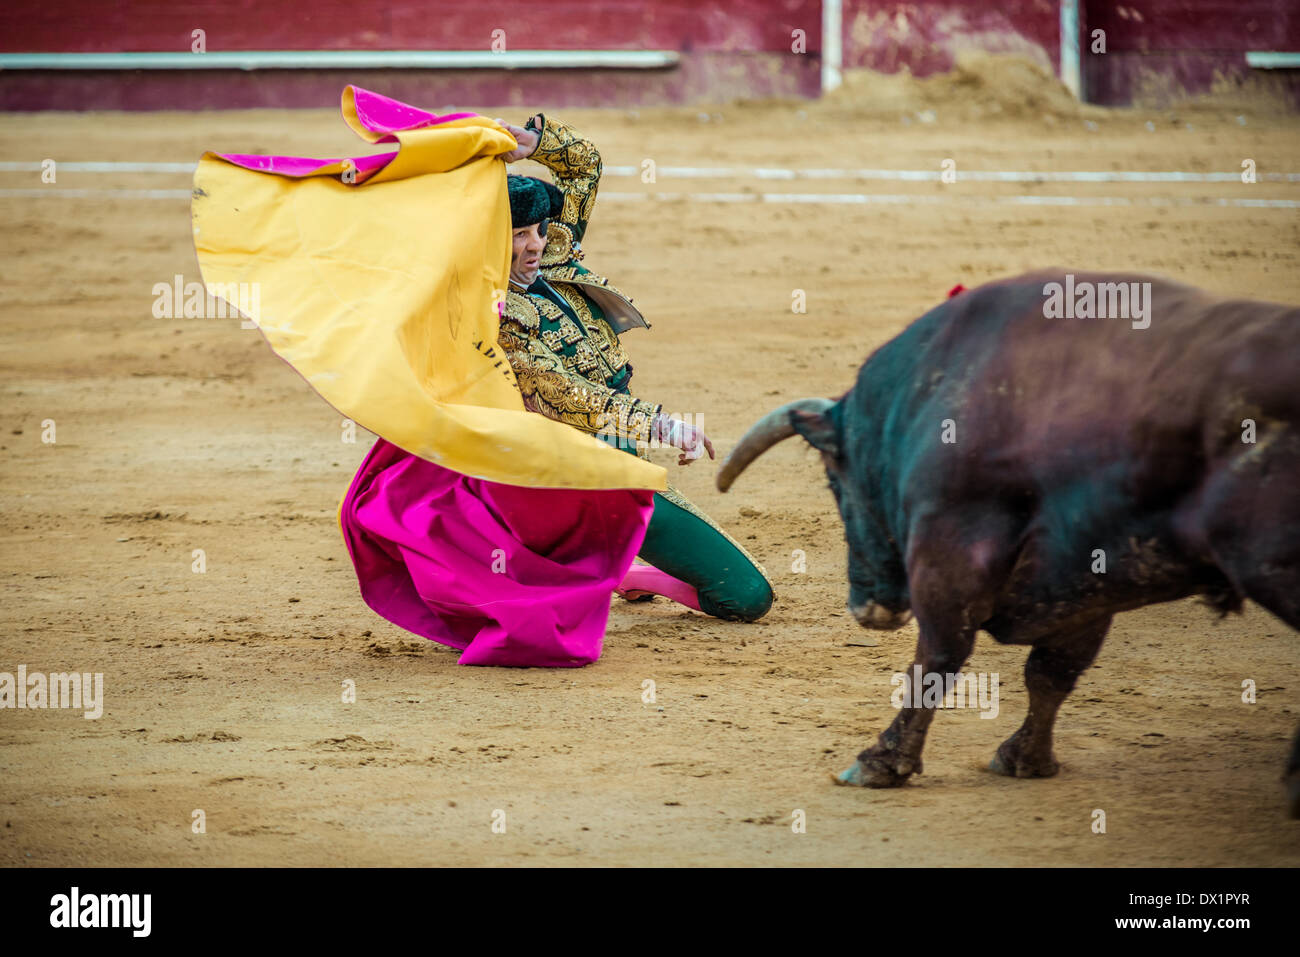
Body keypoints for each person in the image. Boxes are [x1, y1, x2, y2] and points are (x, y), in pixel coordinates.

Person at [491, 113, 773, 623]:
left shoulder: (548, 258)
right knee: (744, 598)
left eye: (538, 230)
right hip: (576, 473)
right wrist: (661, 425)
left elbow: (583, 167)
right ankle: (619, 568)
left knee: (743, 591)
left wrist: (533, 143)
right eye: (517, 235)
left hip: (616, 449)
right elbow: (567, 395)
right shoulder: (494, 315)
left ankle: (613, 564)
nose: (534, 245)